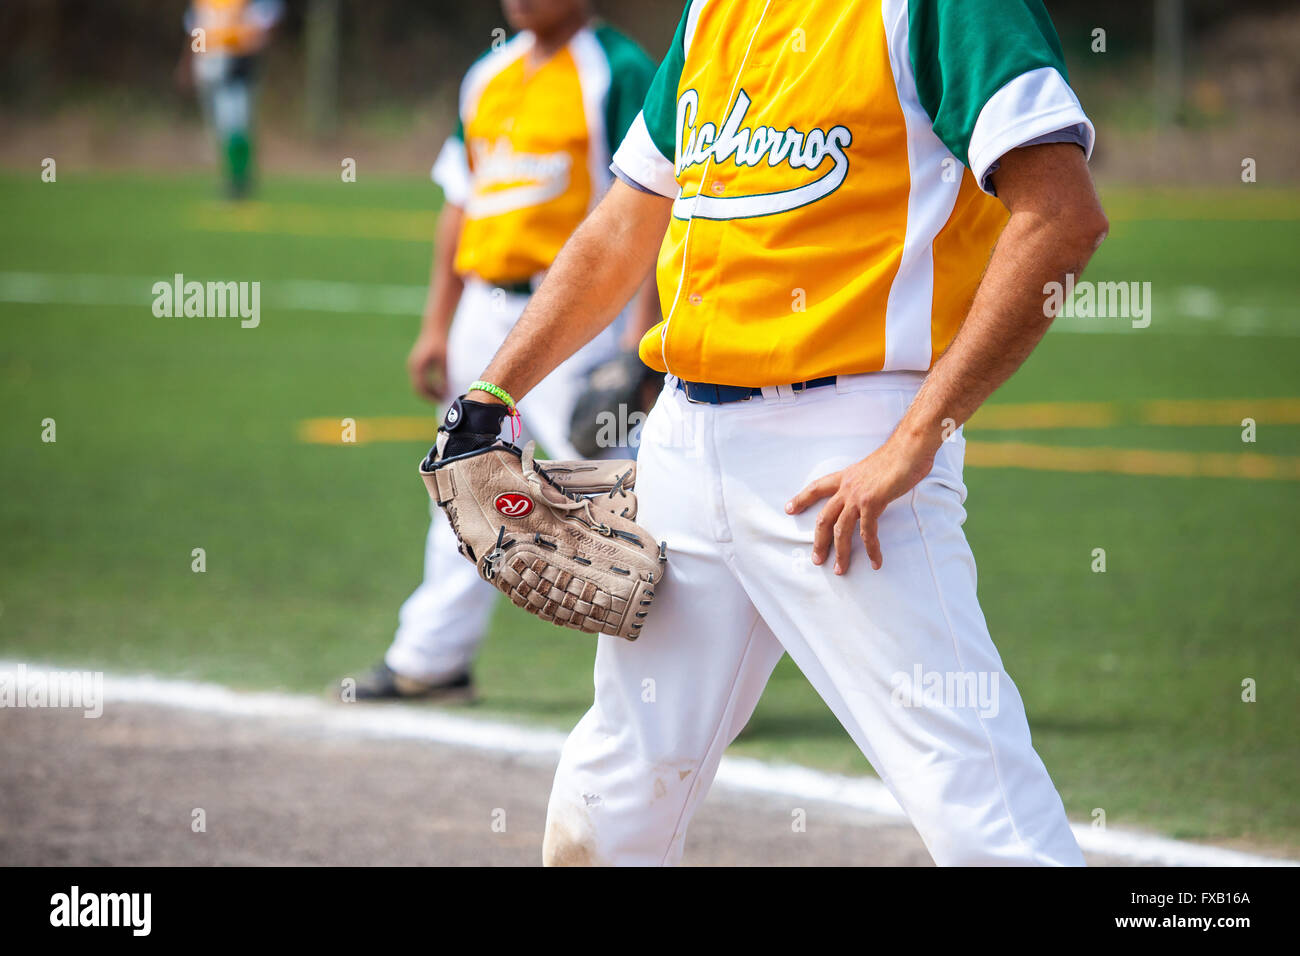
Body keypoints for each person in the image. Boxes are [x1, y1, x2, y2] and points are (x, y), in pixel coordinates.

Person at [434, 0, 1109, 865]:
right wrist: (494, 393)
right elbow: (626, 221)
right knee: (619, 787)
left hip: (848, 453)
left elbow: (1061, 217)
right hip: (681, 436)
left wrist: (916, 438)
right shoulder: (716, 9)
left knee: (977, 804)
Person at [346, 0, 660, 701]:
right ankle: (432, 659)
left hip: (574, 316)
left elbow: (652, 207)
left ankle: (676, 681)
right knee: (465, 480)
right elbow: (461, 203)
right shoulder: (488, 74)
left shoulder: (619, 70)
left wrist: (641, 346)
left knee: (626, 496)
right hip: (483, 311)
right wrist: (437, 322)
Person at [179, 0, 283, 199]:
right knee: (219, 129)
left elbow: (265, 25)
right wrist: (188, 63)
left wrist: (250, 49)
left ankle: (239, 180)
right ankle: (231, 176)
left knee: (235, 124)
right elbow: (195, 30)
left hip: (236, 68)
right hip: (208, 66)